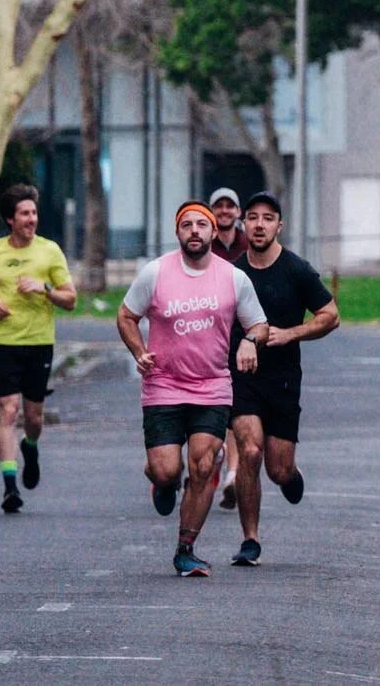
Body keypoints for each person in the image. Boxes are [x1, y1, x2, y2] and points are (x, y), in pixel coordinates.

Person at [119, 201, 270, 576]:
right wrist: (139, 350)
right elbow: (126, 316)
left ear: (213, 232)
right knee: (167, 470)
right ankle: (161, 480)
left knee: (203, 465)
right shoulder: (155, 273)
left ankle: (186, 548)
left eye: (201, 225)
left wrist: (251, 340)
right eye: (186, 225)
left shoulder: (233, 277)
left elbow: (259, 324)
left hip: (212, 386)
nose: (195, 231)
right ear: (178, 233)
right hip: (164, 385)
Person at [228, 191, 340, 567]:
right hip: (241, 377)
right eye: (253, 217)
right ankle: (250, 540)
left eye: (268, 218)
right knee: (249, 451)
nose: (259, 225)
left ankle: (290, 474)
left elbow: (330, 315)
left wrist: (291, 333)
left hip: (283, 380)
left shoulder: (296, 270)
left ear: (279, 225)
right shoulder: (232, 272)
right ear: (244, 222)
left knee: (276, 468)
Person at [0, 184, 77, 514]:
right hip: (2, 342)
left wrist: (43, 288)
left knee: (33, 416)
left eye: (34, 213)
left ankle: (30, 446)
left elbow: (71, 299)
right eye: (25, 214)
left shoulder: (49, 251)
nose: (32, 219)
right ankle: (10, 487)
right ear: (10, 220)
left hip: (38, 342)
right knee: (9, 410)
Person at [208, 187, 249, 263]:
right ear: (210, 212)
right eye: (219, 206)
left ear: (238, 212)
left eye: (230, 206)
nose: (224, 211)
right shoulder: (205, 246)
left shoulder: (249, 245)